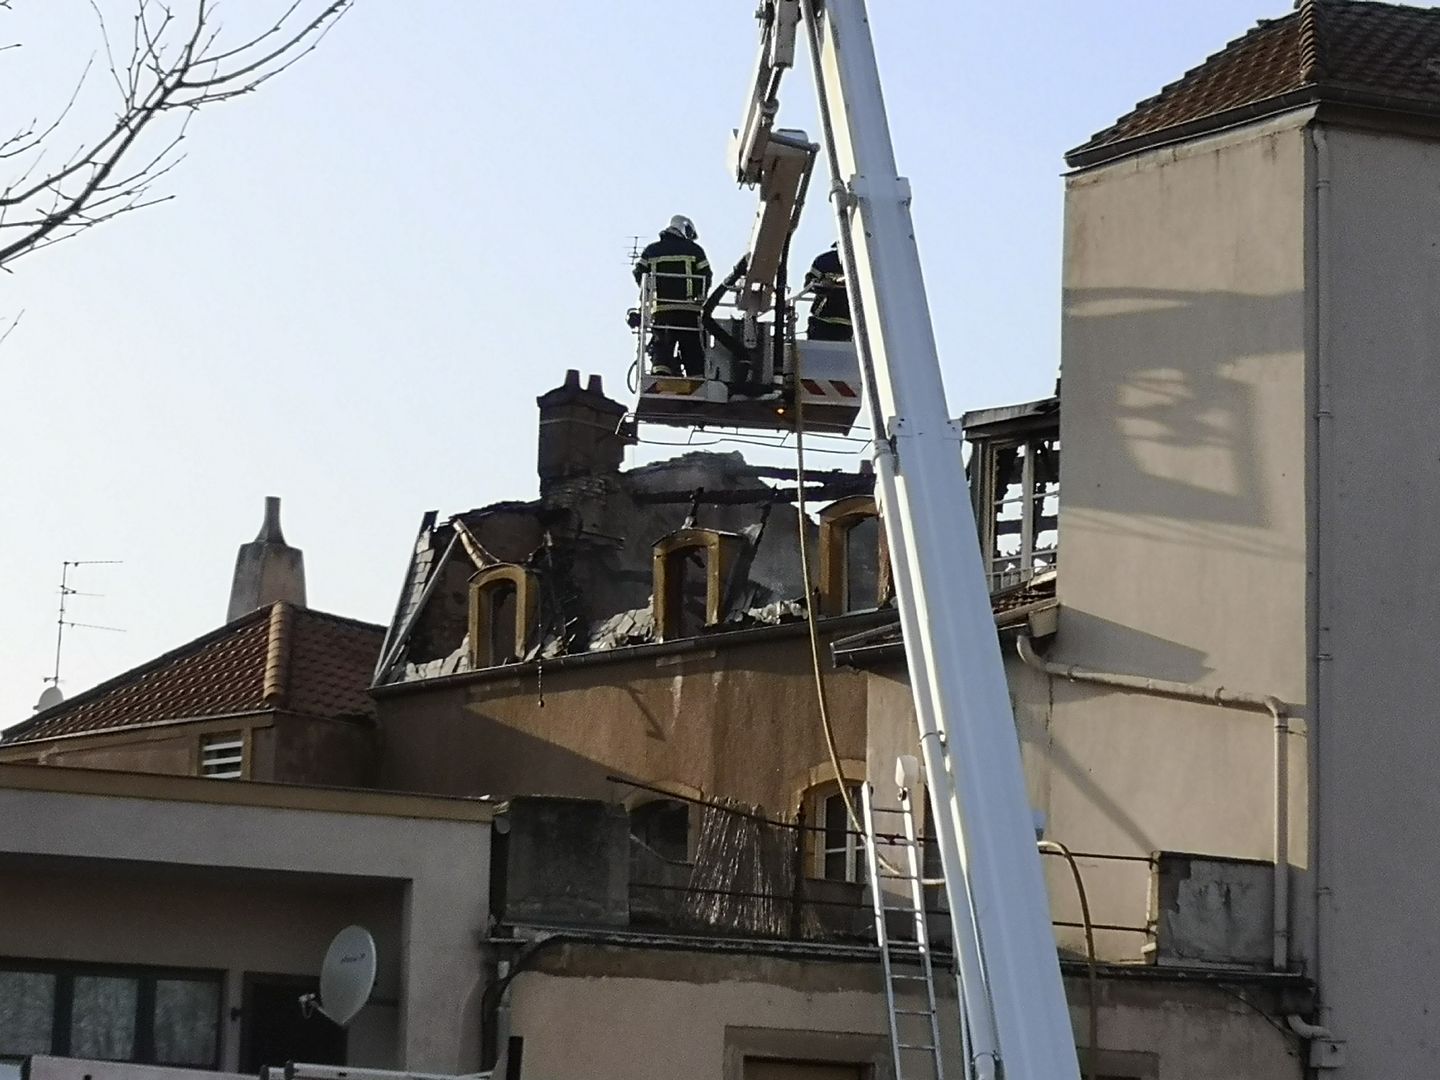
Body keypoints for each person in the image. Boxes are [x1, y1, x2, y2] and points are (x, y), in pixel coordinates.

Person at [633, 215, 712, 376]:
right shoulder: (694, 250)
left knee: (662, 346)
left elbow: (639, 273)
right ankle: (696, 377)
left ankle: (661, 373)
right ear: (684, 229)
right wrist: (699, 296)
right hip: (688, 310)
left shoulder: (652, 250)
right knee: (691, 348)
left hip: (661, 309)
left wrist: (649, 295)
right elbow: (706, 274)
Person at [804, 242, 852, 341]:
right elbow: (808, 285)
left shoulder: (867, 261)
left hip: (854, 325)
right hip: (822, 322)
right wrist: (822, 284)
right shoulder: (824, 261)